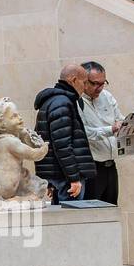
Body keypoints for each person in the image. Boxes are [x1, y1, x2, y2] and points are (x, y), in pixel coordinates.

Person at [33, 63, 96, 204]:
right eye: (84, 82)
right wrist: (73, 178)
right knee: (71, 221)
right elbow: (62, 145)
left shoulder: (52, 101)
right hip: (65, 177)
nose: (85, 88)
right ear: (73, 80)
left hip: (57, 175)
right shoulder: (62, 102)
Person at [80, 61, 123, 205]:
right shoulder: (76, 102)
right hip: (91, 168)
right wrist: (110, 129)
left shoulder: (107, 96)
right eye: (95, 84)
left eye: (103, 83)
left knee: (112, 211)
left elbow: (119, 119)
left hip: (111, 166)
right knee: (92, 215)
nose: (100, 88)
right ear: (83, 81)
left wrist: (131, 124)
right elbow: (84, 133)